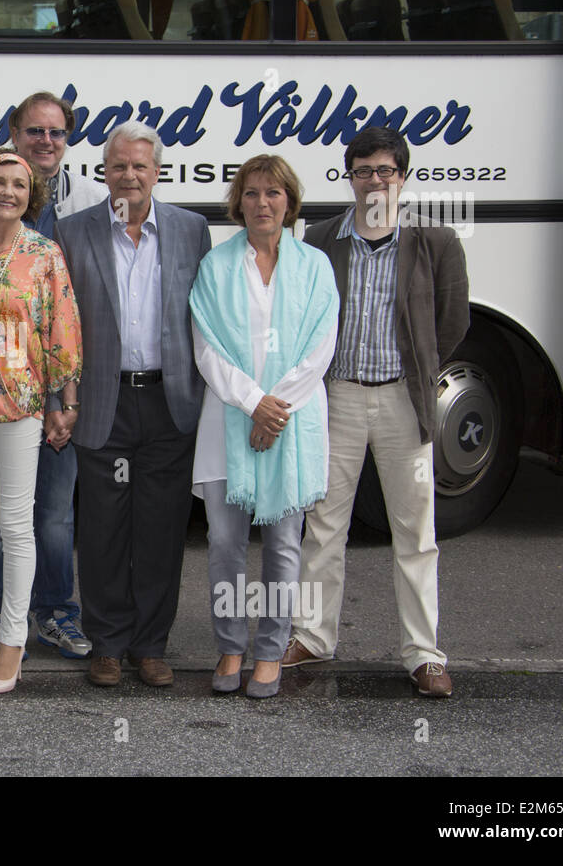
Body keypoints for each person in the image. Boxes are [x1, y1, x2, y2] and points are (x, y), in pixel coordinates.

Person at [281, 126, 470, 698]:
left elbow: (452, 322)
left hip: (401, 401)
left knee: (415, 531)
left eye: (385, 170)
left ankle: (423, 653)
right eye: (363, 171)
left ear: (402, 176)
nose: (374, 181)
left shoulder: (434, 241)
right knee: (324, 524)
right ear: (350, 176)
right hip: (335, 396)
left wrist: (416, 368)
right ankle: (312, 636)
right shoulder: (319, 238)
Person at [0, 91, 105, 659]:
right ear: (13, 134)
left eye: (56, 133)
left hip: (34, 401)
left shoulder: (90, 203)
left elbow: (65, 324)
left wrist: (66, 396)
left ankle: (48, 617)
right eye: (34, 131)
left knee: (46, 516)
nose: (46, 142)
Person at [54, 121, 212, 688]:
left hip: (169, 404)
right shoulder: (73, 233)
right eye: (119, 165)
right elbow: (58, 325)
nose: (129, 175)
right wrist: (60, 397)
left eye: (140, 166)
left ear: (157, 171)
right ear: (104, 171)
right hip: (103, 402)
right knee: (102, 528)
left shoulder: (191, 230)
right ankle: (108, 643)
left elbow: (206, 316)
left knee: (161, 528)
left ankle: (150, 644)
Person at [189, 155, 338, 698]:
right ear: (238, 203)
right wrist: (254, 404)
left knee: (282, 547)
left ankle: (270, 652)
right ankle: (231, 648)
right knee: (225, 542)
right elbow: (206, 347)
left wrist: (275, 412)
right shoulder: (217, 266)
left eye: (273, 193)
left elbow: (321, 348)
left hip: (292, 427)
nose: (262, 203)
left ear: (290, 201)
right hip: (228, 420)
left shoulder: (315, 267)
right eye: (251, 194)